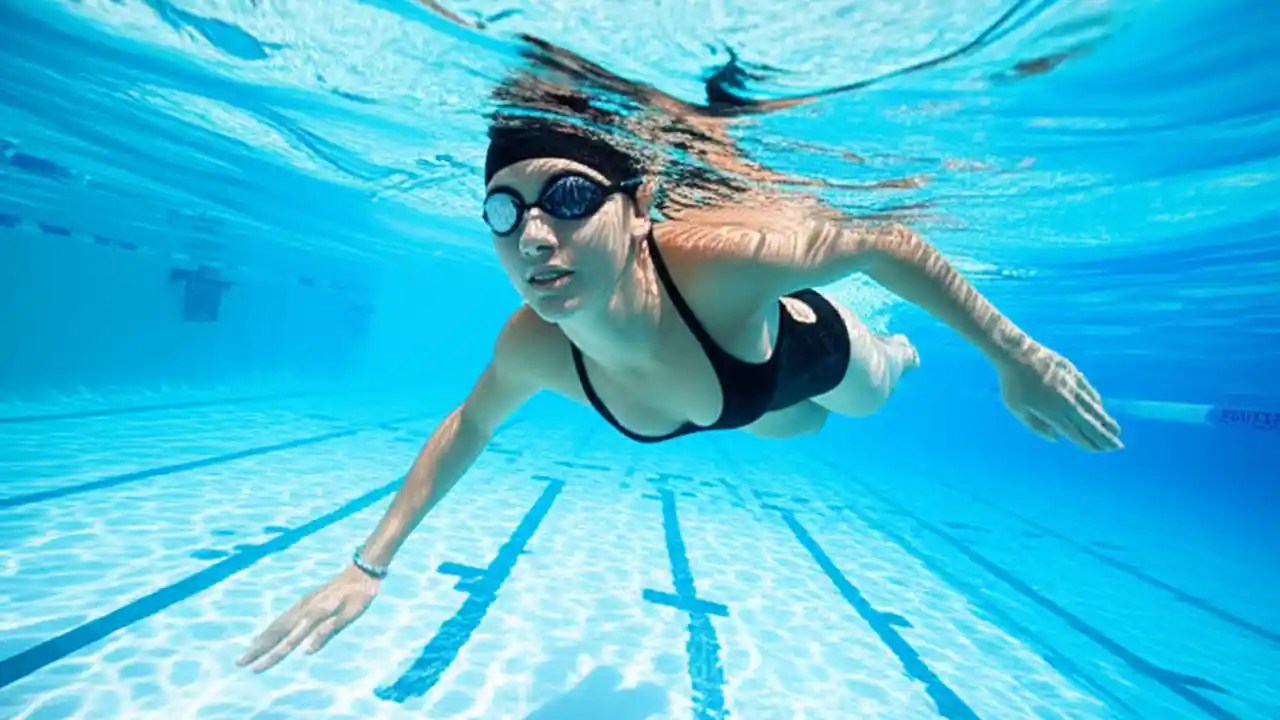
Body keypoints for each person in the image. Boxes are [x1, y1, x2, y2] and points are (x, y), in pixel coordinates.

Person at [236, 110, 1121, 671]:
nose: (535, 237)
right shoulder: (535, 347)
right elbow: (469, 424)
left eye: (570, 196)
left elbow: (885, 236)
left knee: (870, 391)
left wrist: (1016, 355)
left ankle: (892, 341)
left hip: (799, 357)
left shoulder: (715, 261)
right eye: (504, 211)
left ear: (637, 205)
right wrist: (368, 565)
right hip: (739, 415)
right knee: (794, 435)